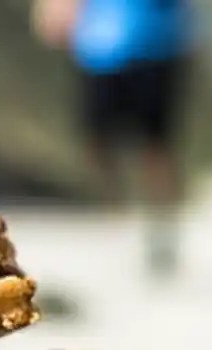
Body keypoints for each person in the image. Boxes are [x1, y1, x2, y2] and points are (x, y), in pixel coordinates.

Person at [34, 0, 194, 278]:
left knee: (155, 145)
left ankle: (162, 225)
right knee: (96, 139)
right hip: (99, 48)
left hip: (156, 45)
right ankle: (116, 209)